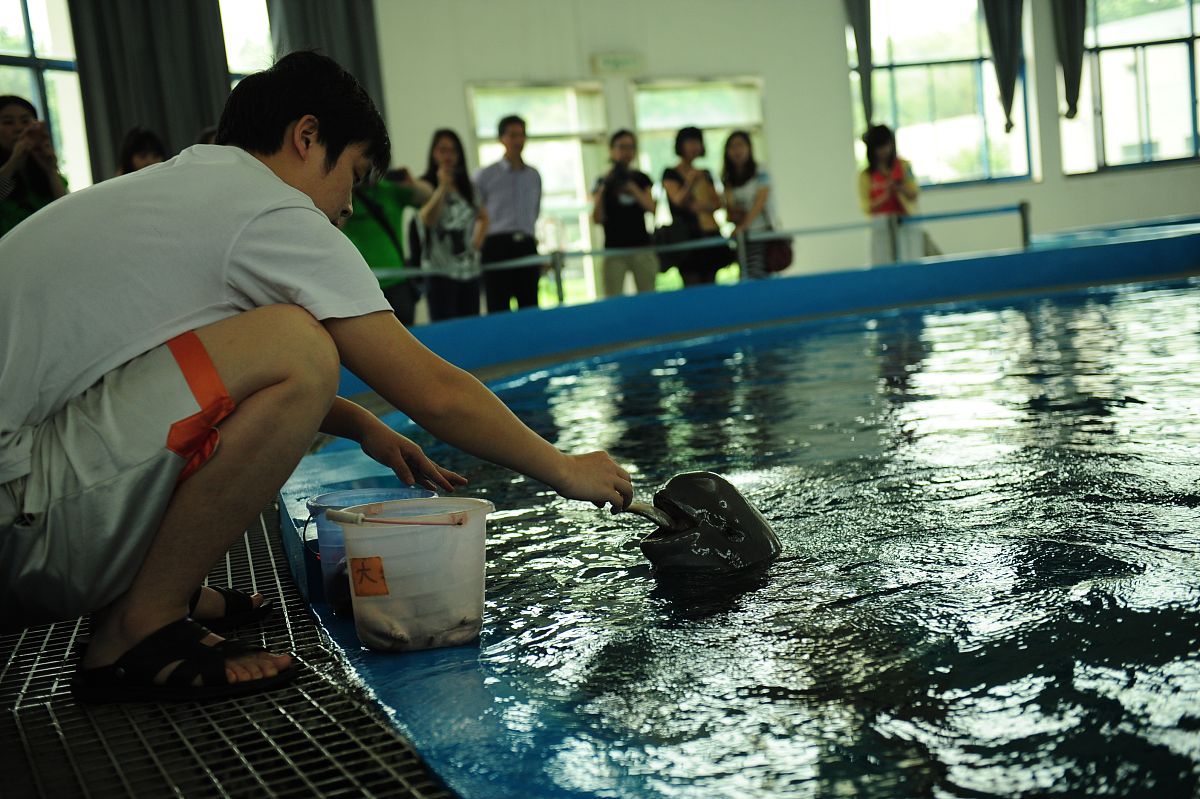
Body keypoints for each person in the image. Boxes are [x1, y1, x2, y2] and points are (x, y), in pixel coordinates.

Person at [0, 52, 633, 703]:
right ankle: (140, 624)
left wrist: (360, 423)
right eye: (353, 176)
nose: (350, 206)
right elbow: (434, 390)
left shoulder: (192, 186)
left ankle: (160, 582)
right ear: (307, 137)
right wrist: (562, 466)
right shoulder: (270, 210)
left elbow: (183, 368)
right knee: (303, 348)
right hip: (20, 521)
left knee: (286, 348)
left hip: (23, 485)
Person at [339, 164, 432, 325]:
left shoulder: (389, 190)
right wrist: (345, 190)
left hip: (398, 283)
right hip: (361, 286)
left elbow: (427, 196)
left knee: (408, 338)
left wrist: (412, 183)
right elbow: (334, 226)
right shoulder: (344, 197)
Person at [416, 129, 487, 321]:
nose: (448, 155)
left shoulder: (468, 187)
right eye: (442, 150)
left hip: (468, 271)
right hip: (440, 273)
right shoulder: (424, 185)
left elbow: (484, 217)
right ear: (433, 153)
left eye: (453, 151)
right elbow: (427, 220)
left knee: (471, 328)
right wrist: (443, 187)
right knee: (446, 331)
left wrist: (475, 244)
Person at [474, 115, 542, 313]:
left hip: (526, 243)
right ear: (501, 139)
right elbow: (475, 214)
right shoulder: (485, 175)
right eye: (512, 135)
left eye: (521, 135)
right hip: (496, 245)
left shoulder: (533, 175)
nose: (518, 141)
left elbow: (535, 210)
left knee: (530, 305)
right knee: (498, 307)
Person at [591, 129, 657, 297]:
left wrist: (633, 189)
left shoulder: (641, 178)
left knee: (648, 296)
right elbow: (597, 218)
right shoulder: (602, 181)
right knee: (613, 298)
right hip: (614, 250)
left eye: (630, 147)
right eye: (621, 147)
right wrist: (604, 188)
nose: (626, 152)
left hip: (641, 247)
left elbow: (652, 207)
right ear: (612, 150)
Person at [661, 126, 728, 287]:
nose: (694, 146)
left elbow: (718, 202)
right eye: (690, 142)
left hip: (708, 233)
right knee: (691, 282)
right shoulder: (670, 173)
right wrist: (690, 182)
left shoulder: (705, 173)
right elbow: (678, 201)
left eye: (697, 142)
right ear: (681, 145)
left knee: (712, 281)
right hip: (686, 237)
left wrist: (699, 206)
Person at [858, 124, 927, 265]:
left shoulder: (903, 166)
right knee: (883, 263)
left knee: (911, 261)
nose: (883, 151)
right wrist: (886, 196)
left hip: (905, 222)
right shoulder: (865, 175)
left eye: (886, 145)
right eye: (879, 147)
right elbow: (866, 206)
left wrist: (899, 188)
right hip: (881, 226)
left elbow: (914, 193)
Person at [0, 95, 67, 237]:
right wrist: (14, 161)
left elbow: (67, 209)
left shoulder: (40, 166)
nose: (18, 128)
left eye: (25, 121)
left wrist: (51, 171)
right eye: (8, 122)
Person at [722, 131, 778, 280]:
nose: (736, 151)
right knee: (746, 276)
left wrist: (743, 225)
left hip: (760, 232)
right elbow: (729, 211)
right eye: (732, 147)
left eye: (740, 145)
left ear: (749, 148)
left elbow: (761, 200)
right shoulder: (728, 178)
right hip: (742, 238)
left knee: (757, 275)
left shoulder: (761, 171)